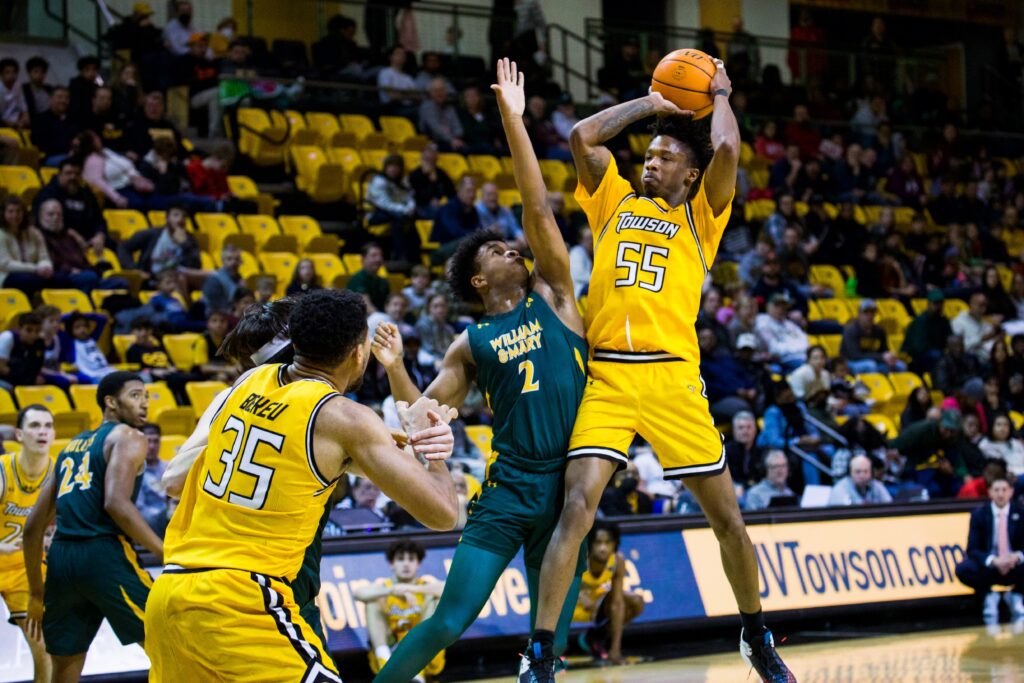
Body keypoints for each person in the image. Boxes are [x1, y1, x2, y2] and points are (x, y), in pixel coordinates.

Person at [518, 58, 792, 682]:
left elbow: (725, 145)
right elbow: (583, 138)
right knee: (578, 507)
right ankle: (540, 654)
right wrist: (654, 102)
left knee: (728, 519)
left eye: (665, 158)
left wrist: (718, 92)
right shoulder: (612, 200)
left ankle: (756, 635)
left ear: (691, 176)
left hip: (672, 381)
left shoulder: (702, 220)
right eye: (648, 155)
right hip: (610, 377)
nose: (650, 162)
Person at [368, 59, 589, 683]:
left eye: (512, 246)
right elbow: (422, 420)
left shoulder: (557, 298)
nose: (513, 250)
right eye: (498, 250)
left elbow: (537, 206)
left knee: (551, 643)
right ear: (477, 278)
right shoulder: (470, 343)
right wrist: (393, 368)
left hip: (567, 489)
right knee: (449, 618)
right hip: (508, 489)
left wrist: (514, 122)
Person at [144, 289, 458, 680]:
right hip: (240, 602)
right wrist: (437, 452)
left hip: (170, 592)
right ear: (358, 352)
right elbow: (444, 514)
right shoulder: (344, 418)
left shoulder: (247, 382)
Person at [21, 373, 161, 683]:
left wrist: (34, 593)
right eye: (136, 395)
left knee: (65, 668)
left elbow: (32, 528)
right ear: (111, 403)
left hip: (61, 560)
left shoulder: (71, 446)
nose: (145, 404)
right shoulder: (128, 437)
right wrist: (165, 550)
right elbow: (116, 504)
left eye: (147, 396)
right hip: (104, 554)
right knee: (172, 643)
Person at [0, 405, 55, 683]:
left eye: (47, 426)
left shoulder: (58, 473)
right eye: (35, 426)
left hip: (23, 568)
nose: (42, 431)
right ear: (20, 434)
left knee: (43, 647)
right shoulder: (2, 470)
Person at [354, 540, 446, 681]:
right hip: (393, 651)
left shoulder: (425, 588)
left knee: (437, 599)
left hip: (424, 653)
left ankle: (417, 671)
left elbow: (447, 589)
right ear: (391, 564)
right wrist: (392, 590)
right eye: (400, 559)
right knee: (372, 601)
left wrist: (411, 589)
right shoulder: (386, 587)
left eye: (411, 559)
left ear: (418, 564)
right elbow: (358, 593)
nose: (406, 564)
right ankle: (383, 658)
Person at [954, 476, 1024, 626]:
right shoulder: (979, 514)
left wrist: (1017, 556)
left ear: (1011, 492)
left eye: (1004, 490)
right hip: (990, 567)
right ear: (990, 493)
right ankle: (989, 595)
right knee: (964, 569)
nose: (1000, 494)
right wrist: (993, 560)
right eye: (996, 490)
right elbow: (972, 549)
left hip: (1015, 566)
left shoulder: (1021, 512)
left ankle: (1017, 594)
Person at [572, 521, 644, 664]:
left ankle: (596, 637)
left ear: (615, 544)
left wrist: (615, 650)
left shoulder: (617, 560)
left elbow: (617, 602)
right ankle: (553, 653)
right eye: (598, 543)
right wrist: (579, 596)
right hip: (572, 606)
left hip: (595, 606)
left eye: (608, 543)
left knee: (636, 601)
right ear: (591, 543)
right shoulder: (579, 556)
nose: (603, 548)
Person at [33, 158, 106, 253]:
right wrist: (70, 234)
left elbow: (99, 220)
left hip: (90, 242)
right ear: (59, 175)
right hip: (59, 242)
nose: (73, 177)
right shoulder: (47, 194)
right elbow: (42, 222)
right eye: (68, 173)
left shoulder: (87, 194)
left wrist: (100, 235)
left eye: (77, 174)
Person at [366, 154, 417, 264]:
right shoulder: (378, 181)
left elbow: (409, 198)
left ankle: (413, 255)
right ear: (385, 167)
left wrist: (410, 208)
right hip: (376, 213)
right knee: (398, 220)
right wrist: (404, 210)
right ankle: (399, 255)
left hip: (396, 213)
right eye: (391, 166)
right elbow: (384, 203)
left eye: (397, 166)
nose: (393, 169)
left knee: (410, 218)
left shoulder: (401, 182)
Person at [0, 197, 53, 298]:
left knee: (58, 278)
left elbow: (44, 256)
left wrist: (46, 267)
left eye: (18, 211)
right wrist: (36, 269)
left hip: (34, 273)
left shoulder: (34, 232)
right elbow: (5, 264)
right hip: (6, 276)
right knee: (27, 281)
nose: (15, 215)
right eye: (10, 212)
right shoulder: (1, 234)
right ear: (3, 213)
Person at [430, 176, 482, 264]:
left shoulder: (473, 209)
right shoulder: (448, 208)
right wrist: (476, 235)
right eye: (468, 191)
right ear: (459, 191)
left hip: (461, 248)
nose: (472, 195)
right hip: (440, 250)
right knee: (470, 240)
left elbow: (478, 229)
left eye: (474, 191)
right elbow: (455, 232)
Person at [840, 299, 901, 374]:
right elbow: (855, 355)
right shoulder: (851, 330)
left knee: (900, 365)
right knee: (870, 366)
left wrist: (890, 356)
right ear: (859, 314)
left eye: (872, 312)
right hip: (851, 362)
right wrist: (881, 357)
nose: (869, 316)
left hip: (874, 360)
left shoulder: (880, 331)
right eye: (866, 313)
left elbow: (884, 350)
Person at [755, 293, 810, 372]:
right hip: (783, 361)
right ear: (768, 306)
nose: (781, 309)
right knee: (808, 369)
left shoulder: (788, 323)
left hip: (801, 356)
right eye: (777, 306)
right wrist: (797, 347)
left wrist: (793, 347)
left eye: (783, 306)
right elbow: (774, 349)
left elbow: (805, 341)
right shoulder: (763, 323)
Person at [902, 289, 952, 374]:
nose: (938, 307)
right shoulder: (920, 321)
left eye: (940, 304)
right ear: (928, 304)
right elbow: (918, 347)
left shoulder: (943, 321)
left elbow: (950, 337)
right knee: (937, 355)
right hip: (916, 356)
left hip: (935, 352)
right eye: (936, 304)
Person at [135, 423, 168, 536]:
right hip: (151, 523)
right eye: (148, 441)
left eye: (156, 441)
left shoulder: (168, 468)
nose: (152, 446)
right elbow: (141, 510)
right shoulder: (135, 472)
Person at [30, 86, 77, 165]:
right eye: (60, 97)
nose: (63, 101)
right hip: (50, 157)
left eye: (66, 98)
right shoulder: (40, 119)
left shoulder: (72, 120)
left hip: (72, 156)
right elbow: (40, 143)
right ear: (50, 99)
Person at [0, 312, 45, 392]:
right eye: (29, 330)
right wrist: (22, 378)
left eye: (37, 331)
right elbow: (1, 368)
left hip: (18, 378)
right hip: (4, 378)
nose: (33, 335)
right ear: (19, 329)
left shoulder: (39, 343)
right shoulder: (7, 338)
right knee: (8, 388)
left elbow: (36, 367)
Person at [407, 143, 455, 218]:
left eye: (432, 159)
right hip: (421, 207)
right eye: (427, 159)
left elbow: (451, 192)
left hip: (439, 204)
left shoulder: (441, 173)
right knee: (437, 211)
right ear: (422, 158)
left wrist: (441, 200)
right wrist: (433, 182)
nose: (430, 162)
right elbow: (418, 198)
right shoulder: (415, 174)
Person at [419, 78, 464, 151]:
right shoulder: (426, 107)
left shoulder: (450, 108)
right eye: (436, 90)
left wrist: (455, 138)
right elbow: (436, 129)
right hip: (432, 143)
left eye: (442, 90)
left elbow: (458, 128)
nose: (439, 93)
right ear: (430, 93)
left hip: (452, 141)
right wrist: (451, 139)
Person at [952, 293, 1000, 363]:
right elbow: (960, 348)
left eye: (985, 306)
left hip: (986, 358)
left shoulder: (983, 321)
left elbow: (989, 340)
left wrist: (997, 337)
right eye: (980, 306)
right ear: (971, 304)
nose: (984, 310)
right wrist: (981, 339)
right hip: (968, 361)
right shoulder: (958, 322)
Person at [827, 454, 892, 505]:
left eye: (866, 471)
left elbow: (889, 505)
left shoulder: (877, 486)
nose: (862, 475)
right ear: (850, 473)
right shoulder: (840, 489)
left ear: (871, 473)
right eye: (858, 472)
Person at [202, 244, 244, 315]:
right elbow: (219, 308)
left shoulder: (239, 279)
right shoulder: (214, 280)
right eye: (229, 259)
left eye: (236, 259)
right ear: (222, 260)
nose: (233, 262)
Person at [348, 243, 390, 312]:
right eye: (374, 256)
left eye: (380, 255)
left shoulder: (384, 282)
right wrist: (382, 319)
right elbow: (367, 306)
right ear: (363, 259)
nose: (378, 259)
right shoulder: (357, 279)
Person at [0, 58, 29, 129]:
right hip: (3, 123)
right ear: (1, 74)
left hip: (17, 121)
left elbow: (23, 105)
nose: (11, 76)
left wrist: (25, 118)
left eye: (14, 72)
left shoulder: (18, 86)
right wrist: (11, 124)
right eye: (7, 72)